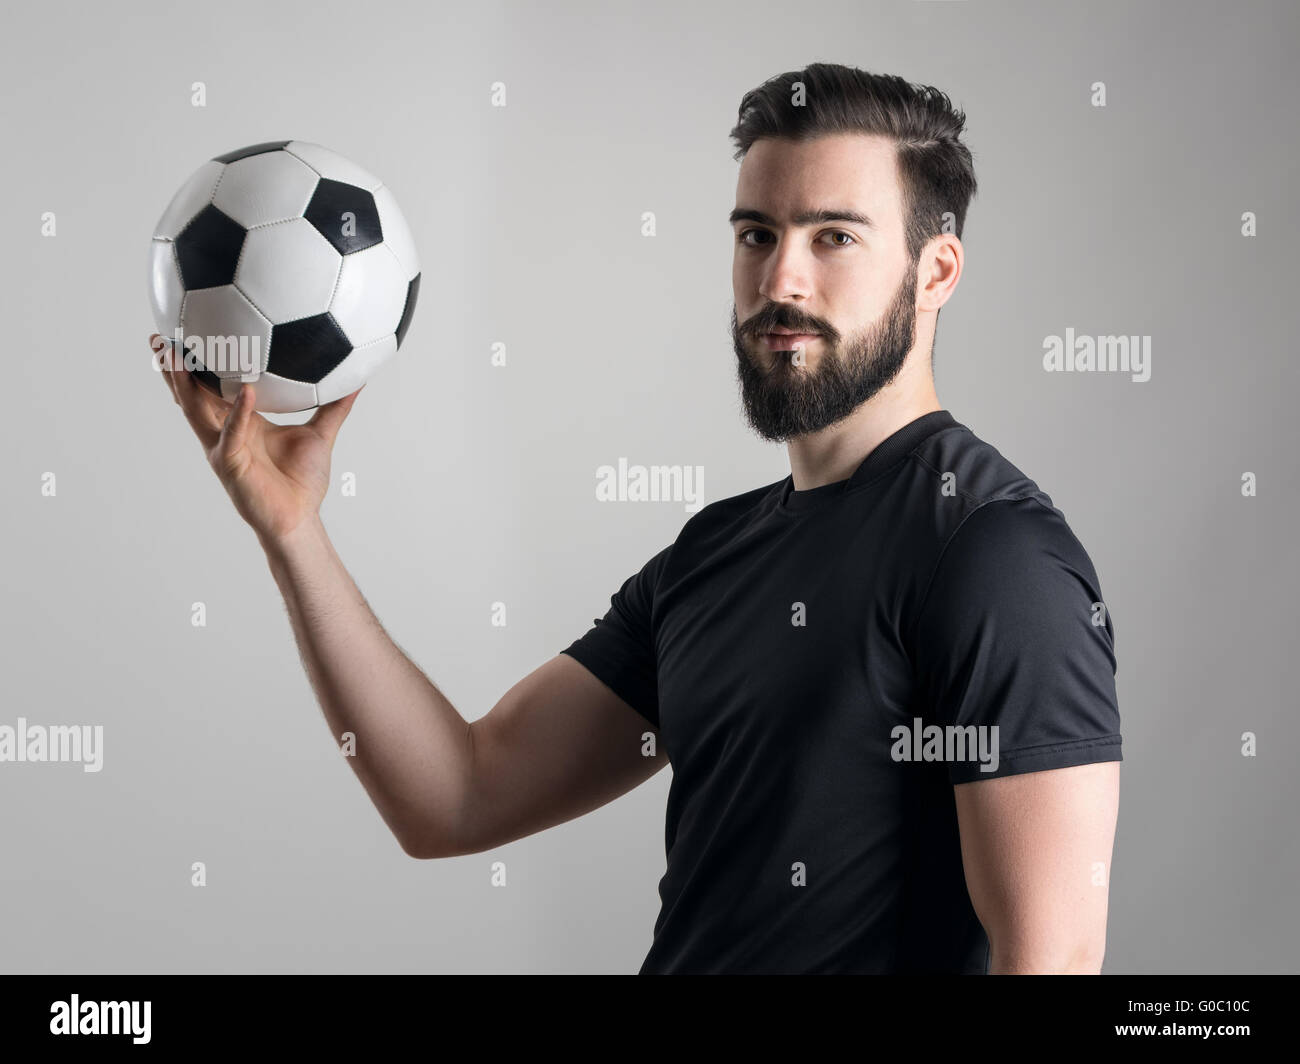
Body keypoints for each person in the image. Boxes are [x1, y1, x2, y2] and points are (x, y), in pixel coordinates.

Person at [153, 62, 1121, 975]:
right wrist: (292, 527)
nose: (781, 279)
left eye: (834, 236)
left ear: (935, 270)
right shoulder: (715, 552)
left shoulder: (991, 552)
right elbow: (454, 796)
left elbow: (1053, 959)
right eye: (756, 233)